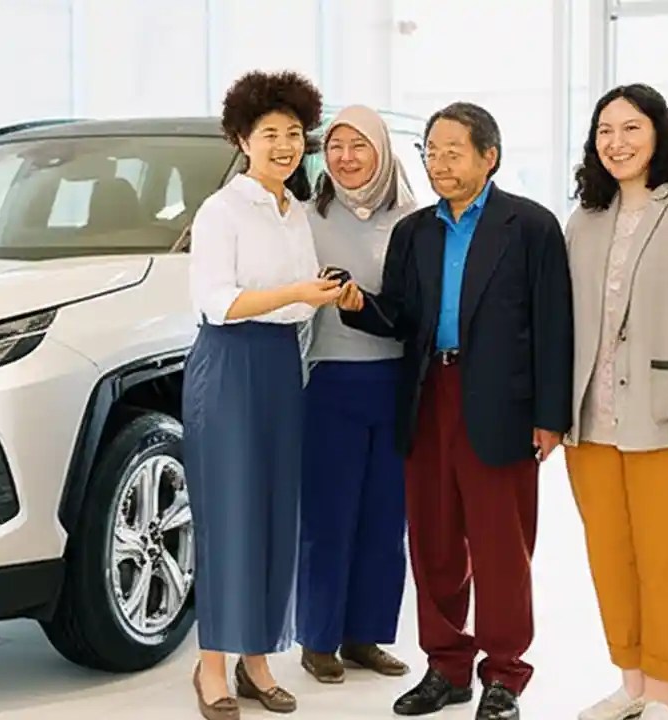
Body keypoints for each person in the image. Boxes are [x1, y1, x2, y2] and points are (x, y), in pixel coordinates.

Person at [335, 101, 573, 720]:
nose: (438, 164)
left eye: (452, 151)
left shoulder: (532, 227)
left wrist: (550, 416)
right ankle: (446, 666)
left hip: (502, 401)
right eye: (431, 152)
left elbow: (555, 326)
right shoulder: (415, 232)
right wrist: (358, 303)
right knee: (434, 543)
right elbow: (402, 320)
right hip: (427, 396)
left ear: (488, 157)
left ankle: (504, 674)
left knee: (501, 547)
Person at [563, 84, 668, 720]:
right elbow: (566, 321)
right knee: (611, 558)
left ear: (659, 133)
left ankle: (662, 697)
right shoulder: (584, 217)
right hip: (594, 422)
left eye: (631, 128)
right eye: (605, 131)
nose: (617, 142)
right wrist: (558, 415)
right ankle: (631, 684)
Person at [183, 69, 337, 719]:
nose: (283, 144)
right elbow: (219, 304)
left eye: (294, 134)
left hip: (278, 366)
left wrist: (322, 292)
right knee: (230, 520)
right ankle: (211, 667)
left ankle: (257, 662)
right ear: (242, 139)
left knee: (276, 517)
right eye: (269, 133)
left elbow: (298, 297)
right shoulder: (222, 211)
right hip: (229, 367)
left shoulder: (292, 208)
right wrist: (297, 295)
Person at [296, 104, 418, 684]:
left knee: (384, 517)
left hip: (395, 382)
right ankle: (318, 638)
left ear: (382, 152)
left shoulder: (414, 219)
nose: (344, 158)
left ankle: (364, 635)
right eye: (336, 146)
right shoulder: (305, 217)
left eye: (358, 146)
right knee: (329, 514)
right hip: (331, 381)